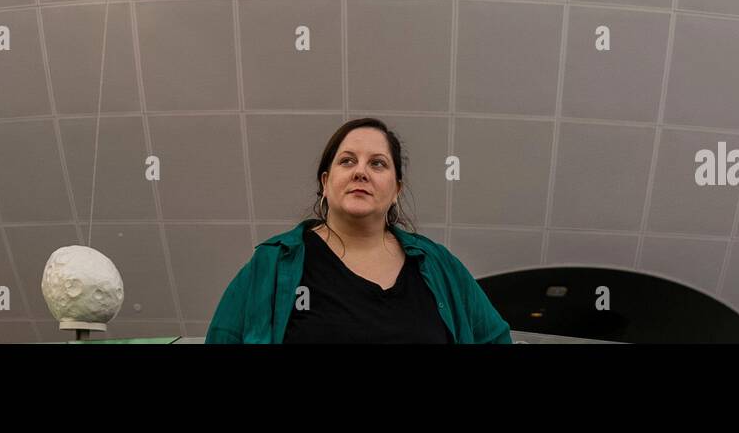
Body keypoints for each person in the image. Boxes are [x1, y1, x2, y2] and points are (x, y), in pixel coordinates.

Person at [206, 117, 513, 343]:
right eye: (347, 161)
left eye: (378, 164)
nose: (360, 172)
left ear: (396, 190)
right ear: (325, 184)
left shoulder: (440, 265)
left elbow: (495, 338)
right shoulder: (272, 265)